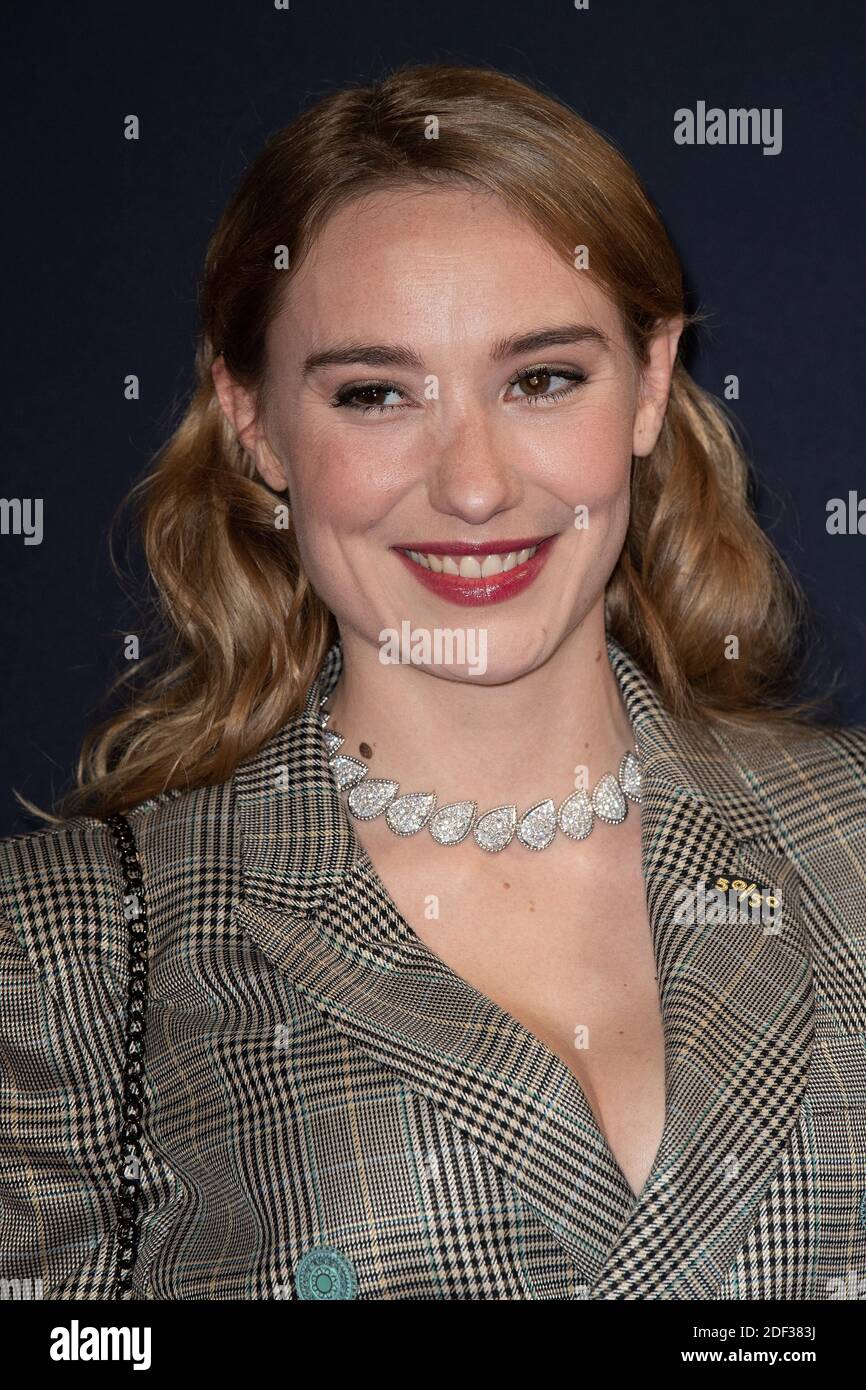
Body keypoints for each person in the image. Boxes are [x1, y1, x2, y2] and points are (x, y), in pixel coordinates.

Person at [2, 62, 865, 1303]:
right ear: (251, 420)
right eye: (374, 393)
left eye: (541, 379)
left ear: (650, 379)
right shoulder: (59, 955)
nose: (471, 487)